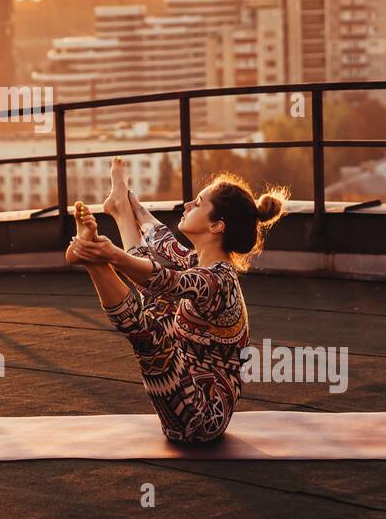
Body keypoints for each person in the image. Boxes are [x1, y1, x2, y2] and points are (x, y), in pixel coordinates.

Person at [66, 157, 287, 444]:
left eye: (198, 202)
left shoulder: (219, 281)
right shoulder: (200, 261)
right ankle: (114, 221)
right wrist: (128, 203)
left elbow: (166, 280)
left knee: (152, 330)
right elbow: (162, 242)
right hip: (184, 379)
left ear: (217, 225)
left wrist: (110, 255)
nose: (187, 205)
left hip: (199, 419)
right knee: (156, 295)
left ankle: (95, 261)